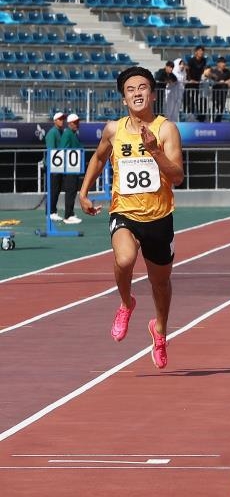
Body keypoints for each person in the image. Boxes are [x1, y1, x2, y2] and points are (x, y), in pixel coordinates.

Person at [77, 67, 184, 370]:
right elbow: (99, 158)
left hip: (159, 217)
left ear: (152, 94)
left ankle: (160, 330)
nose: (137, 93)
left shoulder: (166, 130)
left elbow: (177, 176)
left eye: (143, 87)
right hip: (123, 211)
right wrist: (84, 192)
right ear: (124, 98)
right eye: (130, 89)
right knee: (124, 260)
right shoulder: (114, 129)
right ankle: (126, 303)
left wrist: (155, 152)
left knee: (160, 283)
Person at [59, 113, 83, 225]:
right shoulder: (67, 134)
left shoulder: (72, 133)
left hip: (74, 167)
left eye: (77, 122)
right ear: (70, 123)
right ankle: (68, 215)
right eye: (75, 122)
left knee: (72, 191)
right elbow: (62, 149)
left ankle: (70, 213)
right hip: (70, 168)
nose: (77, 124)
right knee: (70, 191)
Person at [45, 111, 66, 222]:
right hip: (53, 166)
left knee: (56, 189)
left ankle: (53, 210)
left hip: (58, 165)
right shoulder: (53, 133)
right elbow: (51, 150)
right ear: (55, 121)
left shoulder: (61, 132)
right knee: (53, 189)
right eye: (60, 119)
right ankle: (50, 212)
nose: (62, 121)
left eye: (63, 119)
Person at [209, 56, 230, 123]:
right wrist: (220, 82)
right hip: (216, 92)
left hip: (224, 92)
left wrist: (229, 80)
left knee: (222, 107)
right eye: (222, 63)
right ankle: (213, 120)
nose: (224, 64)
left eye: (224, 63)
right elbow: (211, 80)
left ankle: (217, 121)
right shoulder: (214, 71)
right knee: (215, 106)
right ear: (218, 64)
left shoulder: (227, 71)